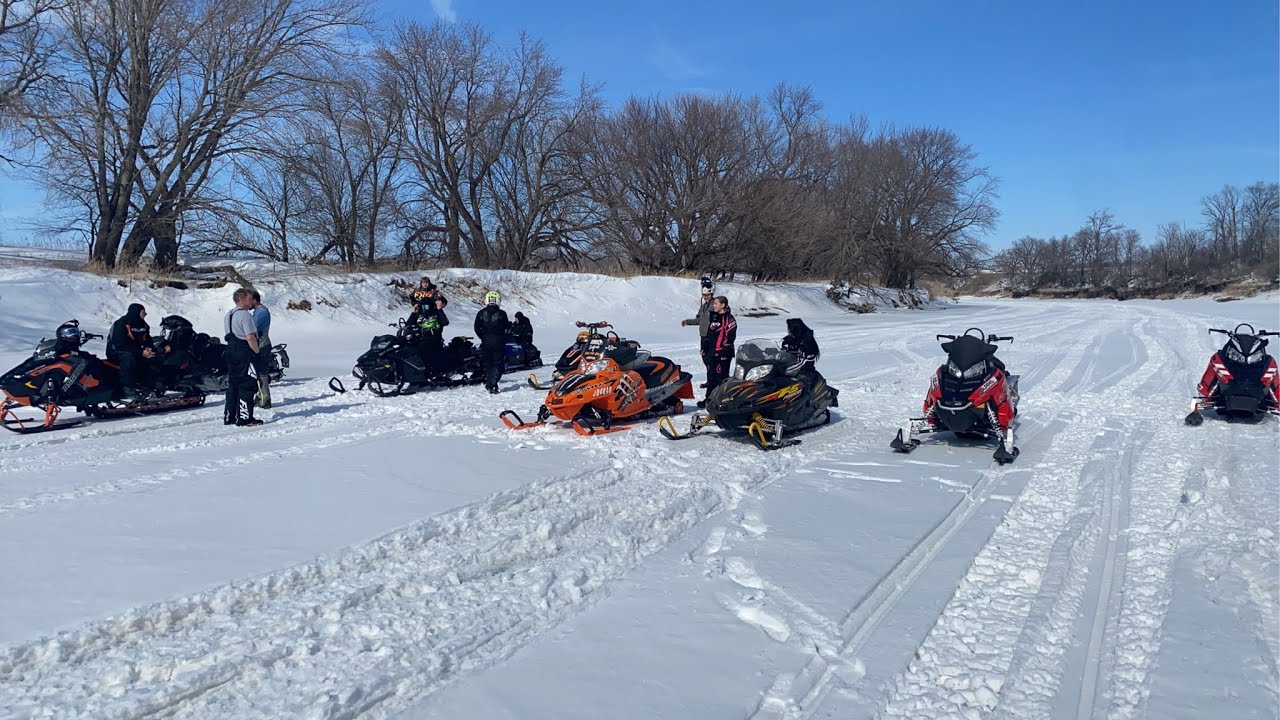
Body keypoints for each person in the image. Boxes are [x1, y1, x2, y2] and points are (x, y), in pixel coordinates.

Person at [223, 288, 263, 426]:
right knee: (247, 384)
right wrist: (257, 353)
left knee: (233, 384)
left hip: (230, 351)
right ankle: (245, 418)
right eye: (249, 298)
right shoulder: (245, 315)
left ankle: (229, 415)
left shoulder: (228, 315)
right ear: (241, 299)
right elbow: (250, 337)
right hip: (243, 352)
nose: (252, 301)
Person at [106, 303, 157, 399]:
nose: (146, 314)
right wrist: (140, 352)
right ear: (136, 312)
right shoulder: (121, 324)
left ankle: (148, 386)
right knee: (129, 358)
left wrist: (149, 349)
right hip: (117, 351)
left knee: (154, 356)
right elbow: (119, 343)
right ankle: (127, 388)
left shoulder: (144, 325)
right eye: (143, 312)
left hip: (136, 350)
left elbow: (147, 340)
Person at [700, 295, 737, 408]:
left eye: (716, 303)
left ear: (723, 305)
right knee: (711, 377)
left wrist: (723, 350)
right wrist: (704, 348)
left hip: (723, 353)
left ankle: (723, 400)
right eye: (714, 303)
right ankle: (709, 400)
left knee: (721, 378)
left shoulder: (730, 319)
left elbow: (730, 337)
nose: (714, 305)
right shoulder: (714, 317)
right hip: (711, 353)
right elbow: (709, 335)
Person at [681, 276, 716, 388]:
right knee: (706, 359)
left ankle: (714, 380)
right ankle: (710, 379)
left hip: (712, 337)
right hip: (703, 336)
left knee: (712, 360)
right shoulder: (704, 306)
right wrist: (688, 321)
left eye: (708, 295)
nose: (706, 297)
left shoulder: (715, 305)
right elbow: (699, 320)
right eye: (704, 295)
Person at [474, 290, 510, 394]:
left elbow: (476, 328)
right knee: (498, 363)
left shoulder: (481, 313)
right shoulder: (502, 314)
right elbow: (507, 328)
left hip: (486, 341)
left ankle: (490, 382)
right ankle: (491, 384)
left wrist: (483, 337)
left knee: (488, 363)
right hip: (498, 341)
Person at [413, 296, 450, 374]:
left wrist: (439, 309)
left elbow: (444, 322)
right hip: (419, 339)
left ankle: (430, 371)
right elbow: (408, 324)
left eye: (426, 306)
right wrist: (413, 313)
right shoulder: (419, 315)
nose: (425, 309)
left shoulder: (436, 314)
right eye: (423, 306)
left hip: (433, 339)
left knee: (425, 348)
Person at [250, 290, 273, 408]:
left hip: (262, 345)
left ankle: (265, 399)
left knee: (262, 372)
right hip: (258, 344)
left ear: (254, 300)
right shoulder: (257, 312)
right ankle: (260, 396)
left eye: (249, 300)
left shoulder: (262, 312)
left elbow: (253, 328)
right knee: (257, 373)